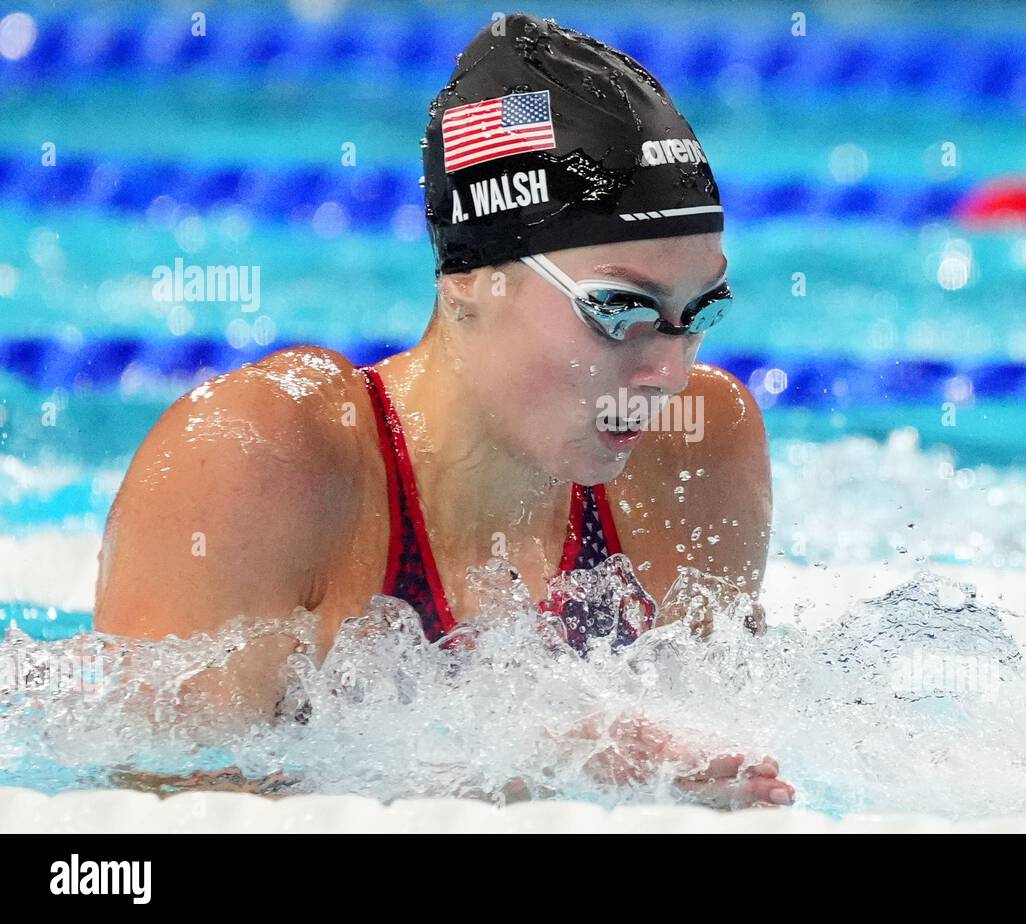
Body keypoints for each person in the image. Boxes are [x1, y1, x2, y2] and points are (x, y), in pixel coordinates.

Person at [95, 13, 793, 809]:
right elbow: (150, 806)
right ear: (470, 277)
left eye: (700, 313)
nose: (669, 372)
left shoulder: (700, 453)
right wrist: (513, 771)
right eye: (620, 309)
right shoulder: (258, 458)